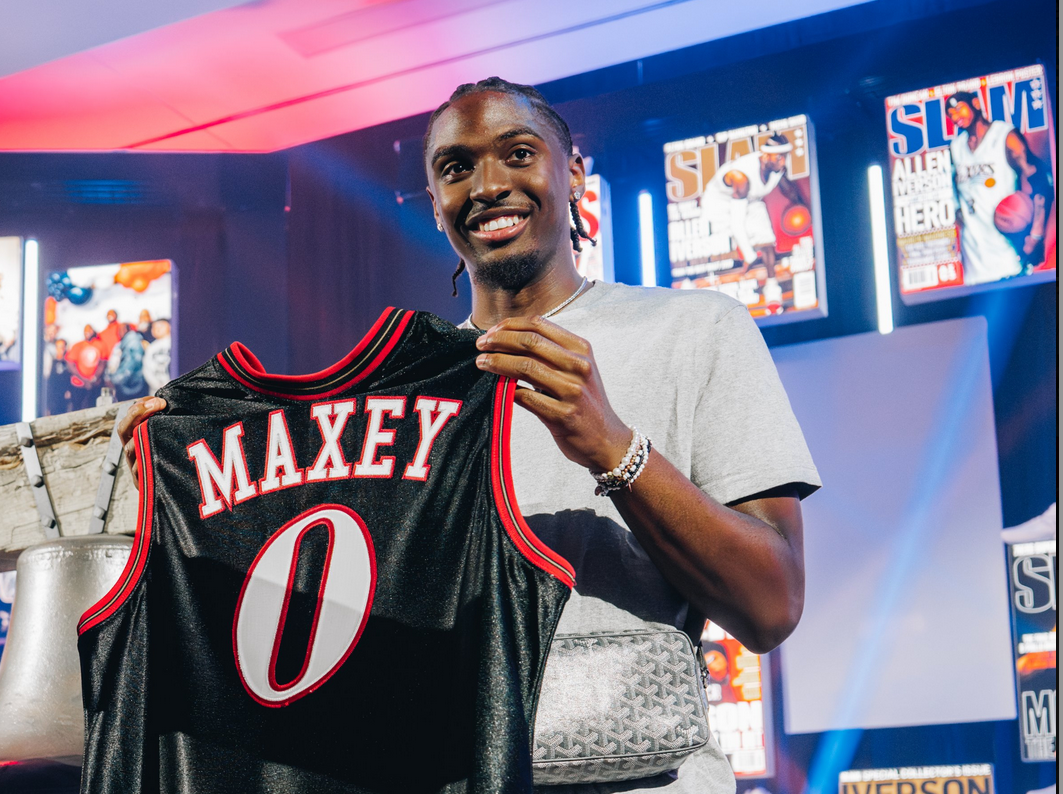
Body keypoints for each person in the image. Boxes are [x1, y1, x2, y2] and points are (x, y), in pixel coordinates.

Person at [117, 78, 819, 793]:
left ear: (574, 173)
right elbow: (321, 644)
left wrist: (612, 447)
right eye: (456, 168)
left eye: (518, 154)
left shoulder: (695, 331)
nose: (487, 185)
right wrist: (187, 499)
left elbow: (771, 605)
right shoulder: (394, 402)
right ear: (436, 204)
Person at [944, 91, 1053, 285]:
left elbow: (1040, 181)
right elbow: (953, 193)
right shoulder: (955, 147)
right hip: (974, 259)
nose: (956, 116)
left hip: (1008, 255)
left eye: (959, 109)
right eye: (951, 113)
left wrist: (1036, 233)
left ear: (976, 104)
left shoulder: (1005, 136)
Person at [699, 134, 807, 277]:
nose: (782, 162)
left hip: (749, 200)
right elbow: (737, 223)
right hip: (717, 207)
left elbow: (789, 190)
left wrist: (808, 210)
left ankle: (772, 284)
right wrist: (749, 256)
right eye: (779, 157)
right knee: (721, 247)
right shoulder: (741, 177)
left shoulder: (777, 168)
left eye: (785, 157)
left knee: (767, 238)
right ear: (765, 156)